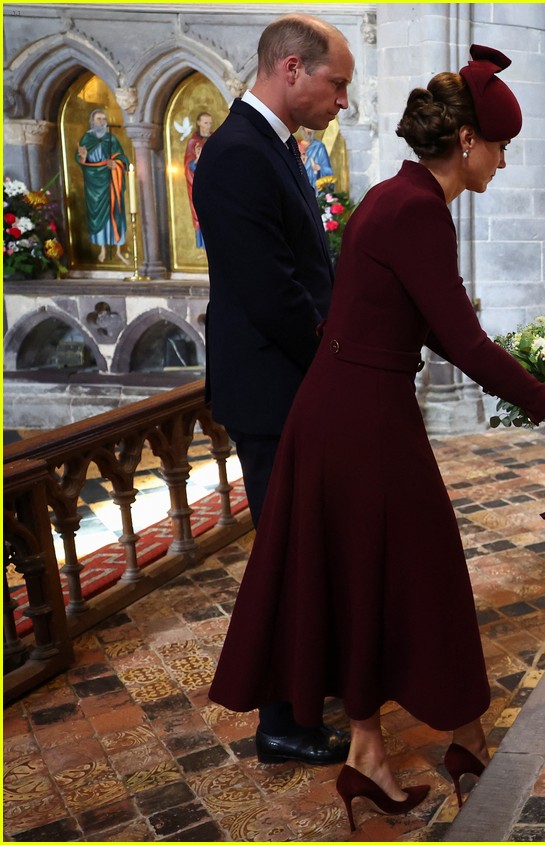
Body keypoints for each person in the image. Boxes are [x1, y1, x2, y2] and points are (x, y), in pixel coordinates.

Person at [207, 43, 545, 828]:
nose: (502, 163)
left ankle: (370, 752)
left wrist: (523, 372)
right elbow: (459, 337)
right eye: (500, 148)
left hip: (350, 407)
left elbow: (428, 323)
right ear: (466, 144)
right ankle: (464, 742)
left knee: (368, 574)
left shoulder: (395, 197)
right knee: (430, 574)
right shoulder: (418, 210)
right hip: (362, 419)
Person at [194, 14, 355, 768]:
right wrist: (338, 360)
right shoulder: (233, 153)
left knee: (305, 548)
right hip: (270, 392)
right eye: (337, 83)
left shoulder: (276, 146)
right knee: (286, 556)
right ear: (292, 69)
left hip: (291, 385)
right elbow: (272, 293)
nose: (342, 101)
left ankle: (307, 686)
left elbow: (305, 270)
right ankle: (281, 721)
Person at [75, 109, 129, 263]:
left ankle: (118, 250)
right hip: (94, 185)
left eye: (104, 119)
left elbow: (123, 158)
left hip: (111, 183)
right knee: (99, 216)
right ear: (92, 121)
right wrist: (83, 157)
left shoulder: (111, 139)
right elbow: (79, 158)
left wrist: (116, 165)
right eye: (99, 119)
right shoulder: (87, 139)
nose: (102, 122)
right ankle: (102, 250)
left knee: (116, 212)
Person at [183, 111, 213, 248]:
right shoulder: (193, 142)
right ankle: (203, 247)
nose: (208, 126)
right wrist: (197, 160)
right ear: (199, 123)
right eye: (206, 123)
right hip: (198, 185)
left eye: (210, 123)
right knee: (201, 213)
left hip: (215, 185)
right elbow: (188, 165)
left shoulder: (215, 139)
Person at [298, 126, 335, 194]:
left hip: (315, 187)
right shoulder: (296, 146)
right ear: (302, 129)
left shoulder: (319, 147)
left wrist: (319, 168)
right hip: (299, 186)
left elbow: (329, 171)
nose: (309, 131)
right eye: (307, 127)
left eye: (312, 127)